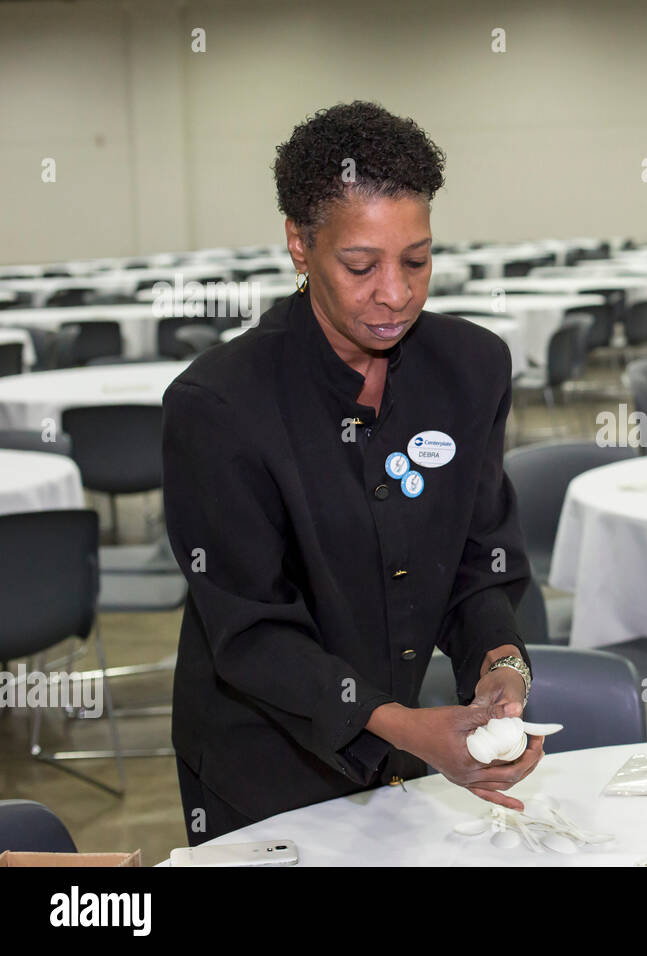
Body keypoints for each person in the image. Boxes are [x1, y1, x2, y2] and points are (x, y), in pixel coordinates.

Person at [162, 101, 540, 845]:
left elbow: (479, 560)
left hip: (403, 754)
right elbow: (251, 629)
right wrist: (401, 726)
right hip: (261, 762)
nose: (394, 294)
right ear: (300, 246)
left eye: (417, 259)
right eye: (360, 266)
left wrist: (500, 664)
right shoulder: (219, 406)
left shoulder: (470, 370)